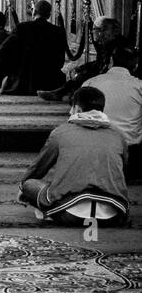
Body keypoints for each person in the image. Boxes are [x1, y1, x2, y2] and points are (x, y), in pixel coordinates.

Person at [18, 86, 129, 225]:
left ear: (77, 109)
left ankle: (49, 211)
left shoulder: (61, 132)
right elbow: (123, 170)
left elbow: (39, 168)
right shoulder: (118, 135)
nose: (70, 112)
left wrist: (23, 188)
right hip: (113, 214)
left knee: (30, 184)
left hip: (69, 212)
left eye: (71, 108)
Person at [81, 49, 142, 183]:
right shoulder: (139, 86)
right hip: (130, 157)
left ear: (111, 62)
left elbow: (77, 118)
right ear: (135, 65)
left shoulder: (90, 83)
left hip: (95, 155)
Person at [39, 17, 128, 103]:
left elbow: (107, 67)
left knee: (83, 76)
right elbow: (99, 62)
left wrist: (88, 73)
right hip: (106, 74)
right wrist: (81, 68)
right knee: (81, 73)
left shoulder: (118, 46)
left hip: (115, 79)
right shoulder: (109, 44)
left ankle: (64, 94)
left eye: (102, 30)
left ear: (111, 31)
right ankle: (63, 92)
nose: (99, 34)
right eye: (99, 30)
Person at [0, 0, 67, 95]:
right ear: (49, 15)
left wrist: (13, 71)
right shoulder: (57, 31)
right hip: (49, 83)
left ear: (34, 12)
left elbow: (2, 50)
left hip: (21, 82)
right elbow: (60, 61)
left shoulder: (21, 28)